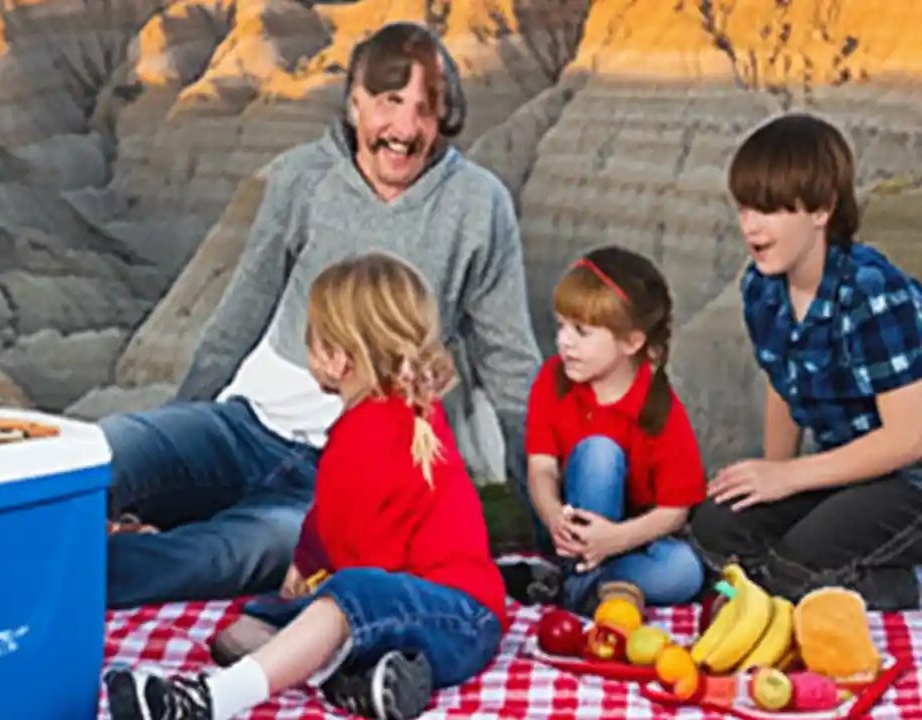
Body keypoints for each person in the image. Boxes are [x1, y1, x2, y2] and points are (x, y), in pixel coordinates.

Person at [101, 21, 542, 609]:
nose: (406, 130)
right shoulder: (302, 178)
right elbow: (238, 317)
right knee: (115, 447)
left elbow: (509, 363)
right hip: (247, 427)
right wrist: (182, 425)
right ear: (355, 101)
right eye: (390, 102)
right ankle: (1, 536)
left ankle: (56, 578)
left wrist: (543, 510)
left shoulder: (477, 205)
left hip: (349, 475)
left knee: (244, 548)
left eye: (426, 109)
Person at [103, 252, 506, 720]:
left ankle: (206, 701)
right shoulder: (363, 422)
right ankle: (362, 682)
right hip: (392, 606)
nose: (308, 353)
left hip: (456, 614)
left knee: (347, 595)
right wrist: (305, 563)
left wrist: (322, 584)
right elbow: (328, 515)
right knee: (243, 633)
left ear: (338, 360)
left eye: (312, 342)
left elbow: (375, 557)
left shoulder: (383, 430)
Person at [689, 112, 922, 612]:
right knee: (713, 526)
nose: (751, 226)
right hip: (844, 474)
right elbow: (784, 382)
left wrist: (789, 479)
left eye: (771, 210)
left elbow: (909, 438)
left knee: (795, 568)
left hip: (910, 480)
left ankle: (908, 583)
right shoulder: (761, 288)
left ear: (822, 209)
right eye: (746, 208)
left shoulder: (872, 292)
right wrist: (771, 480)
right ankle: (807, 576)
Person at [502, 246, 707, 615]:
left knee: (686, 571)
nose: (564, 341)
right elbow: (541, 468)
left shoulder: (659, 408)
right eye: (561, 325)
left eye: (581, 331)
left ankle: (576, 588)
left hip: (626, 540)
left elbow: (675, 510)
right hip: (569, 532)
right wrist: (553, 517)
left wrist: (614, 539)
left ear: (632, 342)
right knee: (599, 452)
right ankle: (581, 580)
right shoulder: (552, 381)